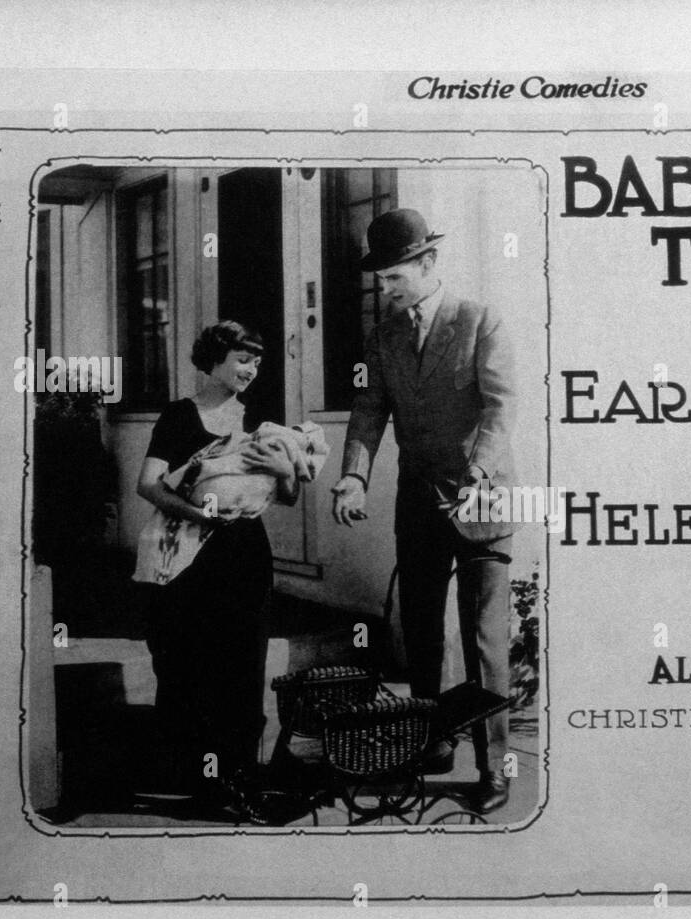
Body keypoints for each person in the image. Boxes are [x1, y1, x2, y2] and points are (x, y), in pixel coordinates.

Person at [331, 209, 517, 815]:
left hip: (481, 496)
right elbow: (368, 409)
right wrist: (353, 477)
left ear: (428, 264)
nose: (385, 291)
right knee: (423, 632)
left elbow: (499, 407)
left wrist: (479, 471)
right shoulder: (383, 336)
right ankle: (434, 741)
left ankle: (493, 770)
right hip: (417, 500)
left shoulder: (479, 319)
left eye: (394, 278)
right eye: (379, 281)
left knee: (485, 638)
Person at [134, 321, 304, 818]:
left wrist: (284, 465)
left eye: (256, 361)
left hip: (245, 551)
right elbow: (148, 484)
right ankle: (194, 780)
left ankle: (238, 778)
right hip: (190, 556)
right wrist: (200, 514)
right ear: (212, 361)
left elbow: (289, 495)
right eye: (241, 359)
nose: (250, 370)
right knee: (189, 665)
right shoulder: (180, 416)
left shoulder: (261, 421)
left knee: (244, 665)